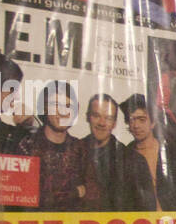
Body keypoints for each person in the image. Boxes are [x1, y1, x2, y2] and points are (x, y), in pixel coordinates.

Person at [121, 93, 176, 212]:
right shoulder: (123, 158)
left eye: (142, 119)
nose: (136, 125)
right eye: (131, 120)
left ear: (153, 122)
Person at [18, 81, 91, 211]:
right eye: (56, 105)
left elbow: (91, 195)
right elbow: (26, 197)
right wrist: (74, 193)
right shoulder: (27, 145)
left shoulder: (82, 149)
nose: (63, 112)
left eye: (68, 106)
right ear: (45, 108)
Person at [81, 93, 153, 211]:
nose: (102, 123)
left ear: (114, 123)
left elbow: (146, 213)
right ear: (87, 117)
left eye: (108, 118)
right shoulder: (74, 152)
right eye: (96, 116)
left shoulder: (133, 160)